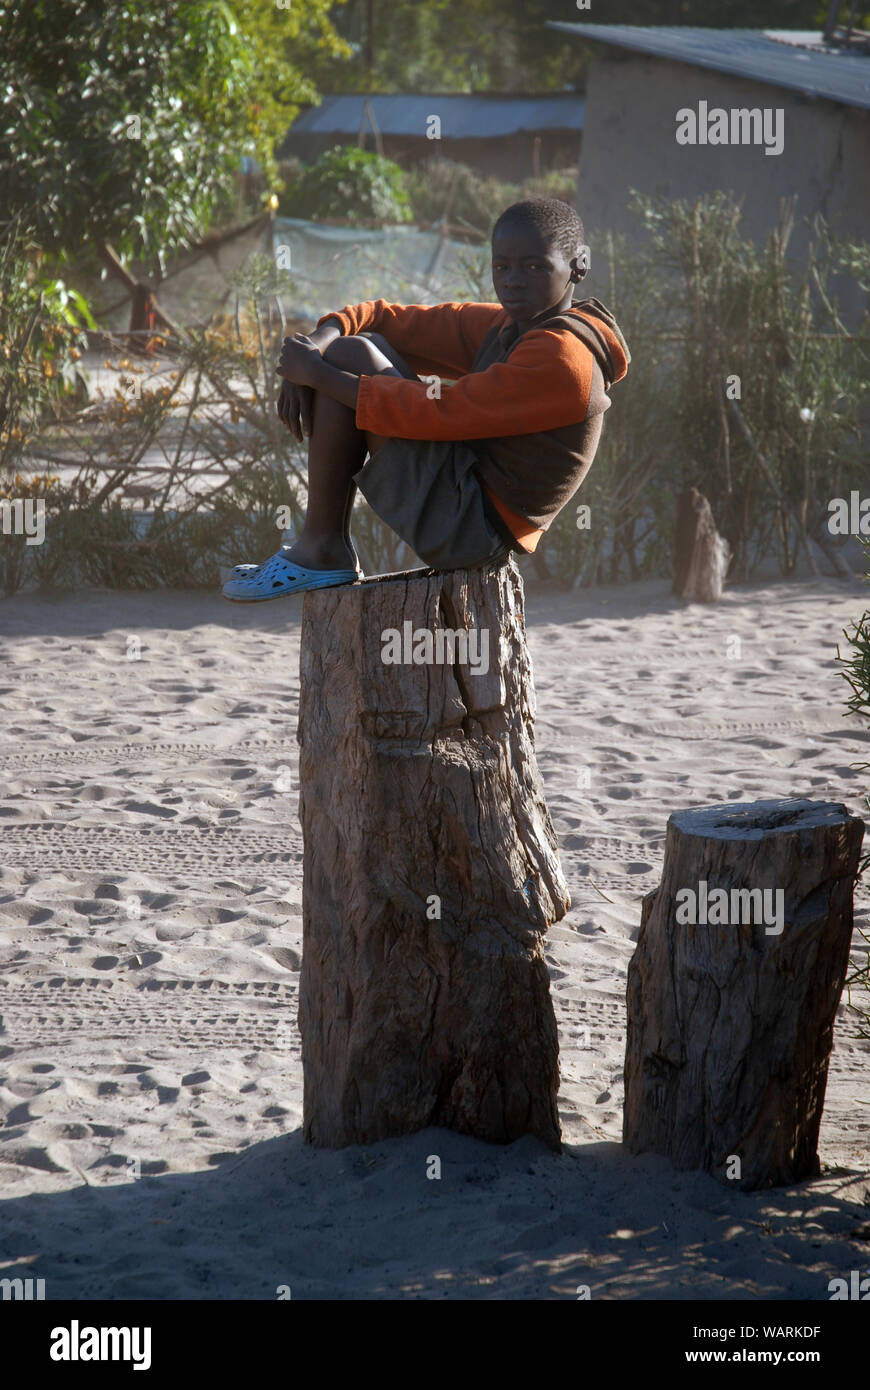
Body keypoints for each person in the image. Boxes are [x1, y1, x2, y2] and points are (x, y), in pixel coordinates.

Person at [222, 196, 629, 601]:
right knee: (349, 348)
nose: (513, 280)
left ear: (579, 264)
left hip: (472, 532)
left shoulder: (562, 358)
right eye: (501, 266)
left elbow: (440, 412)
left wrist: (317, 373)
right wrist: (315, 346)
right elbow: (391, 319)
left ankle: (322, 549)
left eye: (536, 266)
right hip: (465, 500)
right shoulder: (514, 326)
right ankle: (322, 547)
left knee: (351, 357)